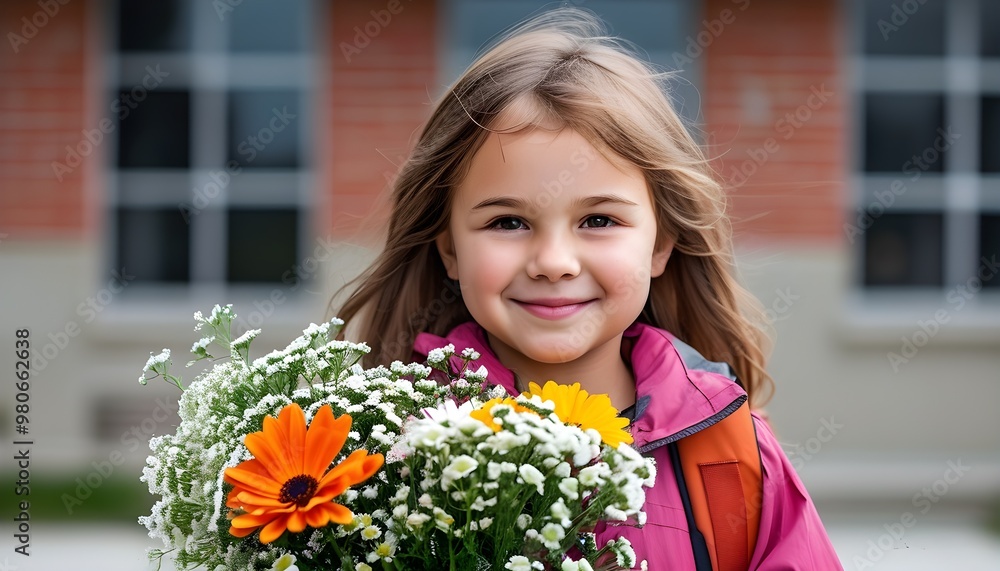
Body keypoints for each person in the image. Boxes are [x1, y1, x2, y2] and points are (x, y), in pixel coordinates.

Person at [335, 7, 843, 570]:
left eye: (599, 220)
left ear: (659, 244)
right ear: (449, 247)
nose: (553, 262)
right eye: (507, 222)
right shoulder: (378, 454)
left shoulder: (732, 452)